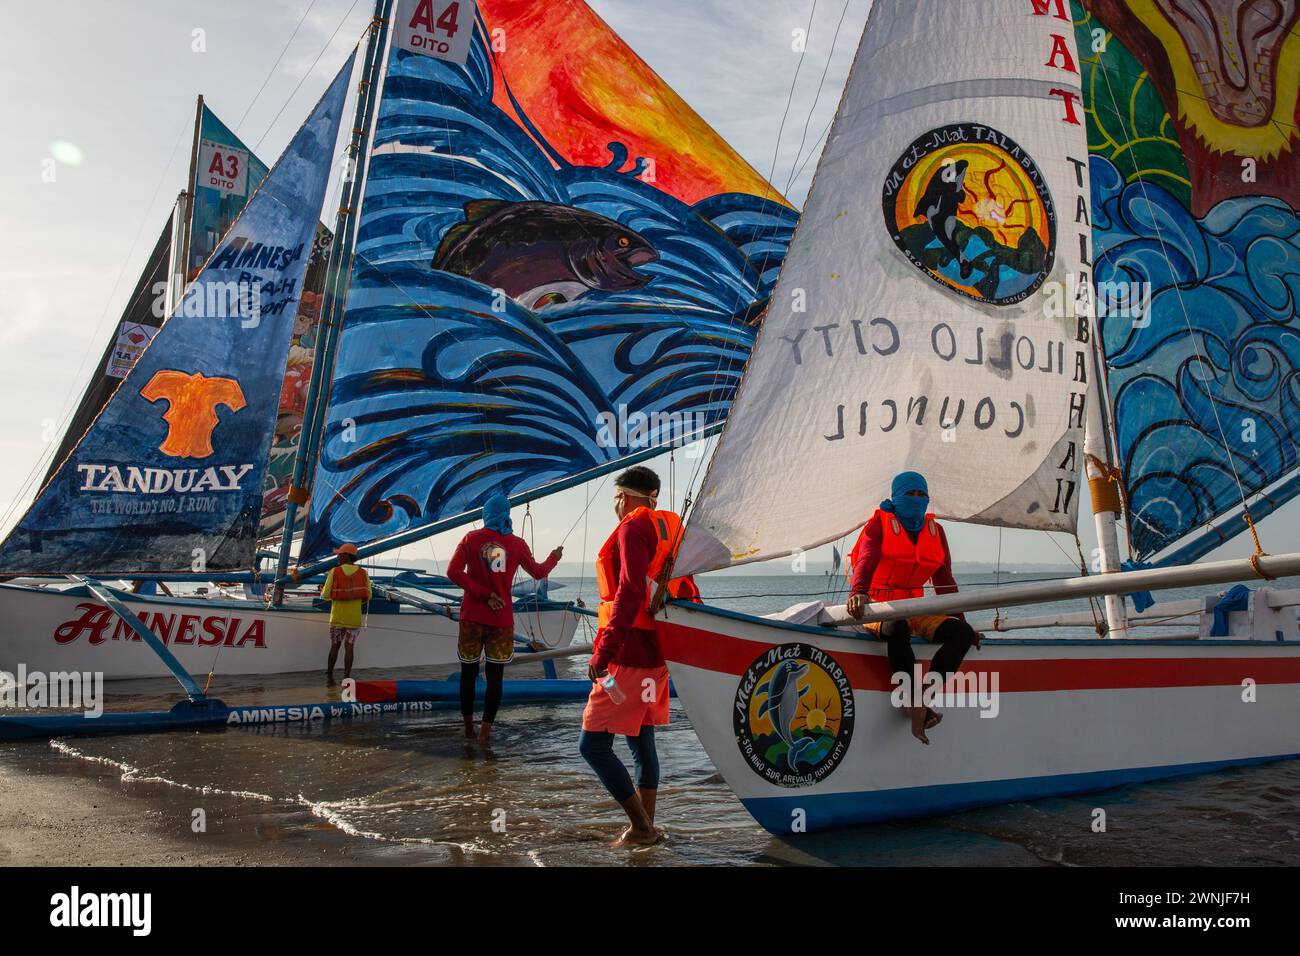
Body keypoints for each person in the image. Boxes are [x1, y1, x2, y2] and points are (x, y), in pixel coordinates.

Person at [579, 465, 698, 847]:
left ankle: (641, 827)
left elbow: (630, 591)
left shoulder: (633, 527)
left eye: (616, 497)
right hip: (658, 656)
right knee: (640, 739)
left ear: (626, 496)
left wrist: (604, 651)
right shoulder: (670, 528)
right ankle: (648, 828)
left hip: (627, 654)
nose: (614, 504)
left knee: (592, 744)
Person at [845, 471, 980, 744]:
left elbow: (944, 581)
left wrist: (964, 622)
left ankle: (922, 698)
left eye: (922, 495)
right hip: (878, 605)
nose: (917, 500)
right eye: (910, 495)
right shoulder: (878, 526)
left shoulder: (936, 531)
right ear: (896, 497)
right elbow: (866, 560)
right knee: (898, 626)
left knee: (961, 634)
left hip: (914, 605)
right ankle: (912, 700)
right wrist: (858, 593)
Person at [446, 492, 562, 748]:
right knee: (495, 678)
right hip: (501, 621)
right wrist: (554, 557)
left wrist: (482, 594)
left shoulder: (471, 539)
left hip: (472, 618)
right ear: (507, 515)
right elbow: (539, 572)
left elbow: (452, 572)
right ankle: (485, 733)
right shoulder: (517, 544)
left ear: (486, 514)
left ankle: (468, 728)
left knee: (468, 673)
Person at [322, 543, 371, 684]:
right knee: (349, 647)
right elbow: (368, 594)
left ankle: (330, 675)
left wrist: (333, 596)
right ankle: (346, 676)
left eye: (339, 554)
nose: (337, 557)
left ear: (346, 555)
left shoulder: (334, 571)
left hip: (337, 617)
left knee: (335, 645)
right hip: (354, 618)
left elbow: (325, 594)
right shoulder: (363, 573)